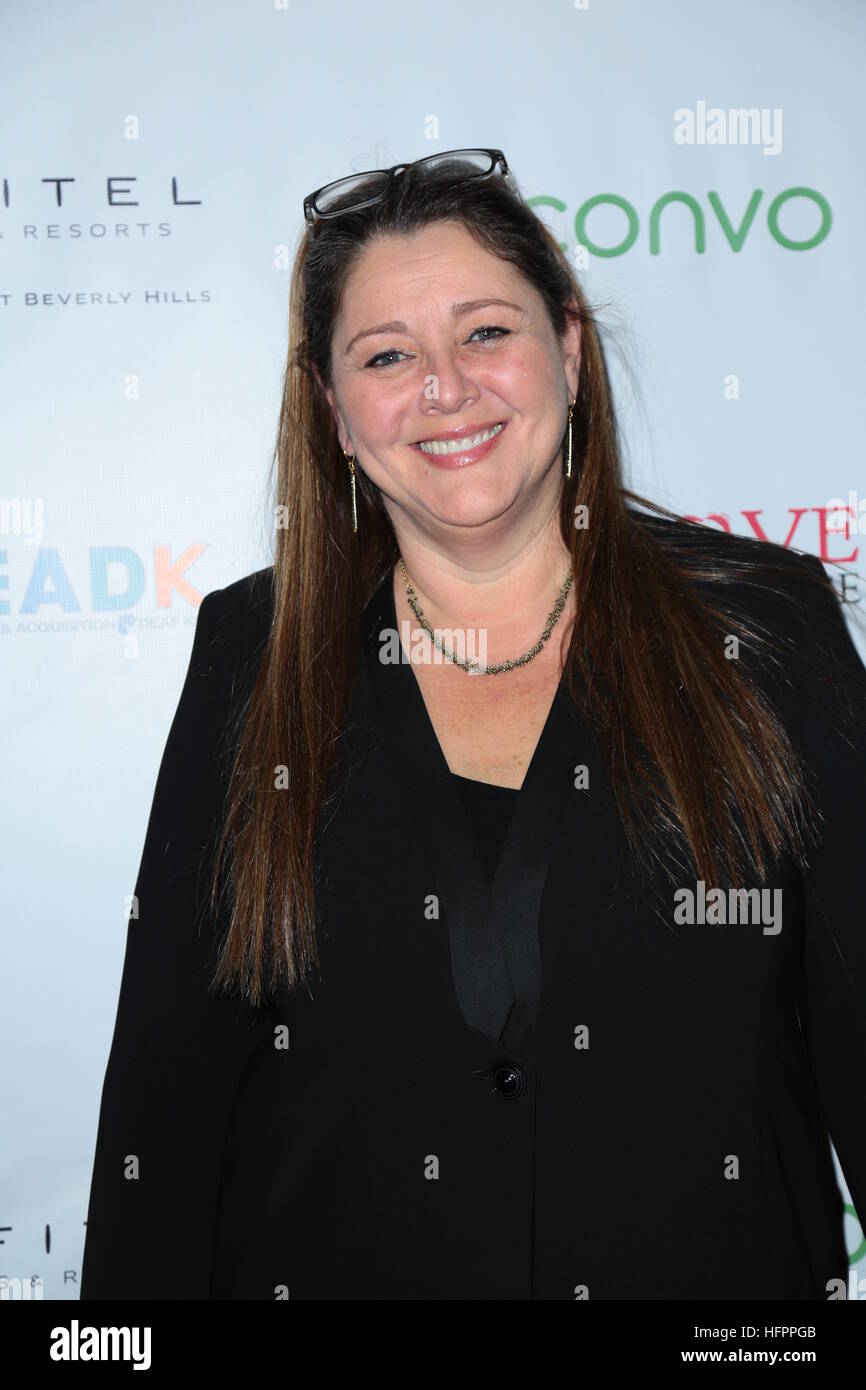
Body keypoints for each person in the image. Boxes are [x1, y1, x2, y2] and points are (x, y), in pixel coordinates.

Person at [80, 148, 866, 1301]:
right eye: (387, 356)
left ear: (570, 350)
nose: (444, 387)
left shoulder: (768, 627)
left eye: (485, 333)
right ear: (336, 413)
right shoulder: (250, 655)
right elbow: (169, 1093)